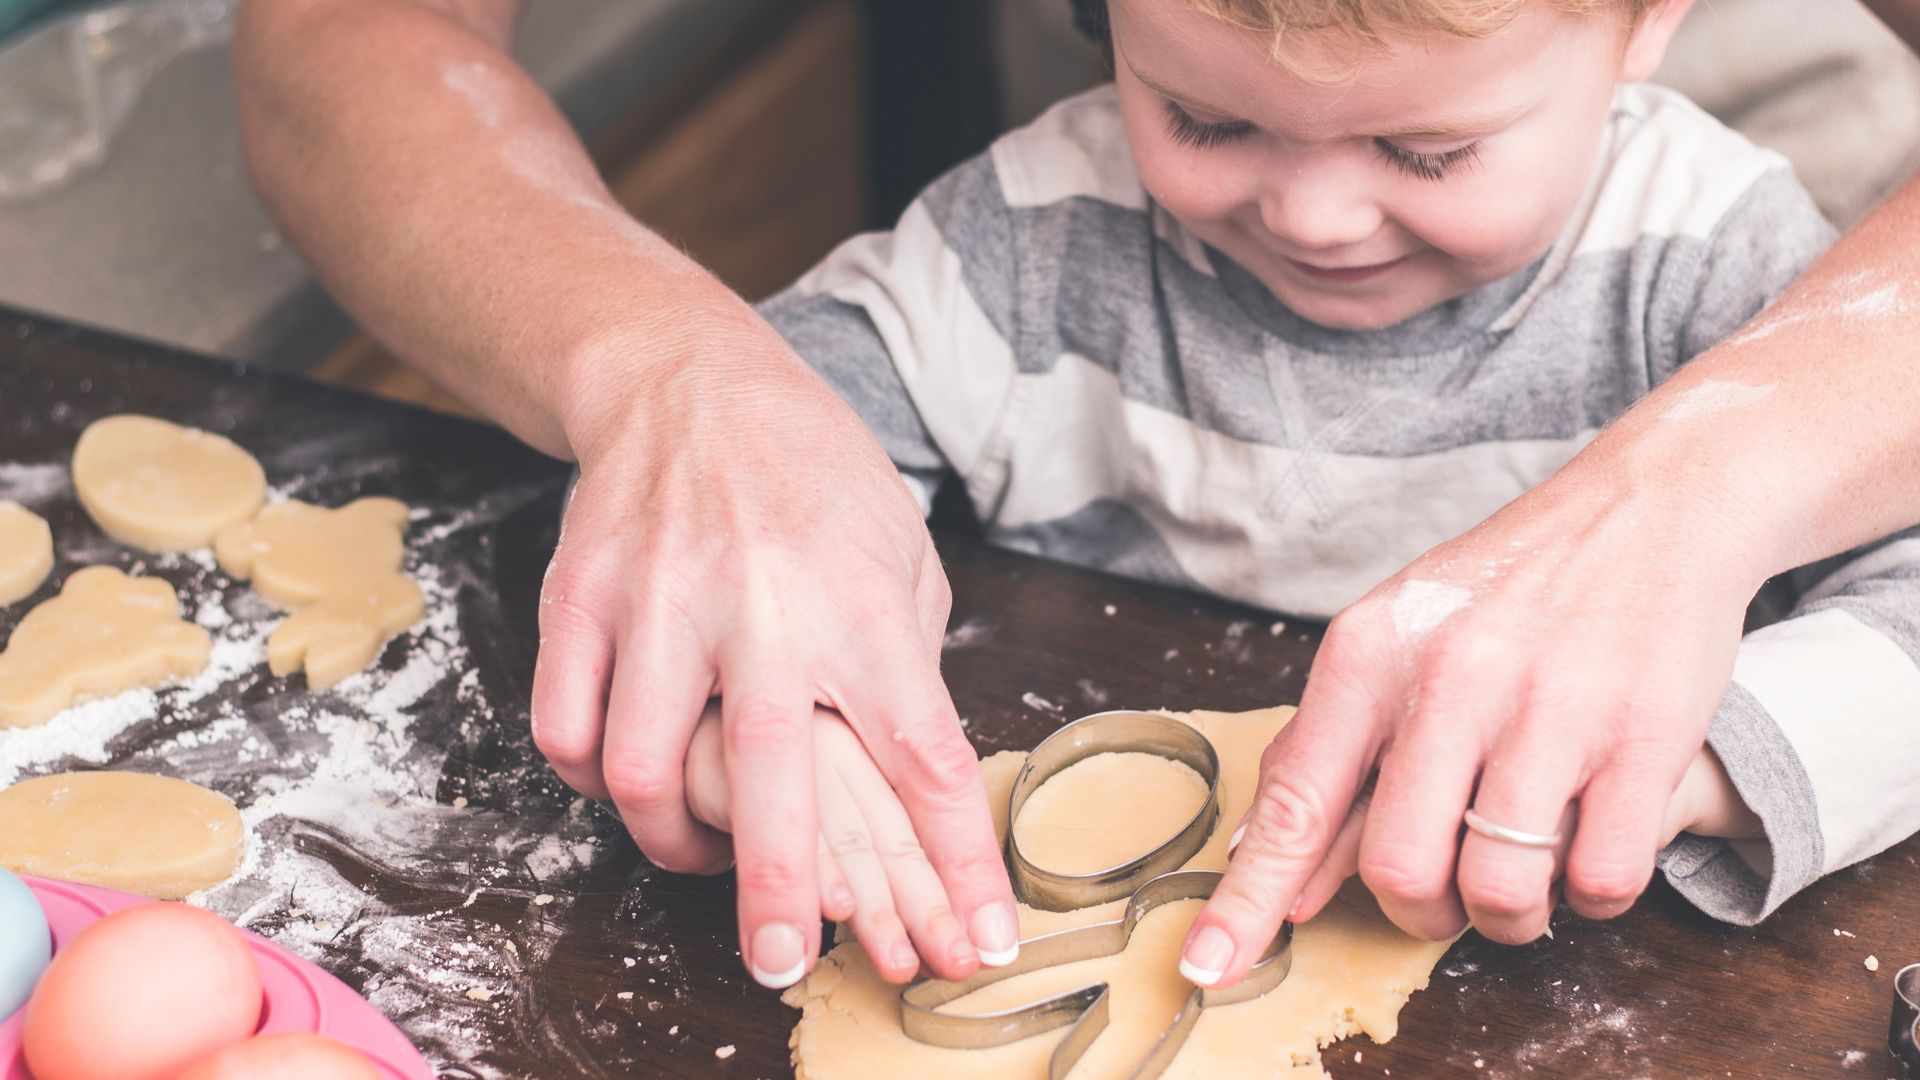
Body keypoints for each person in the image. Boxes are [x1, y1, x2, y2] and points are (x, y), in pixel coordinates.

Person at [232, 0, 1920, 991]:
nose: (1318, 215)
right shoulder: (1029, 242)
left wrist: (1696, 764)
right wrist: (762, 688)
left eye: (1426, 154)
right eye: (1201, 116)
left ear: (1646, 20)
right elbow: (766, 475)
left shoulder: (1722, 272)